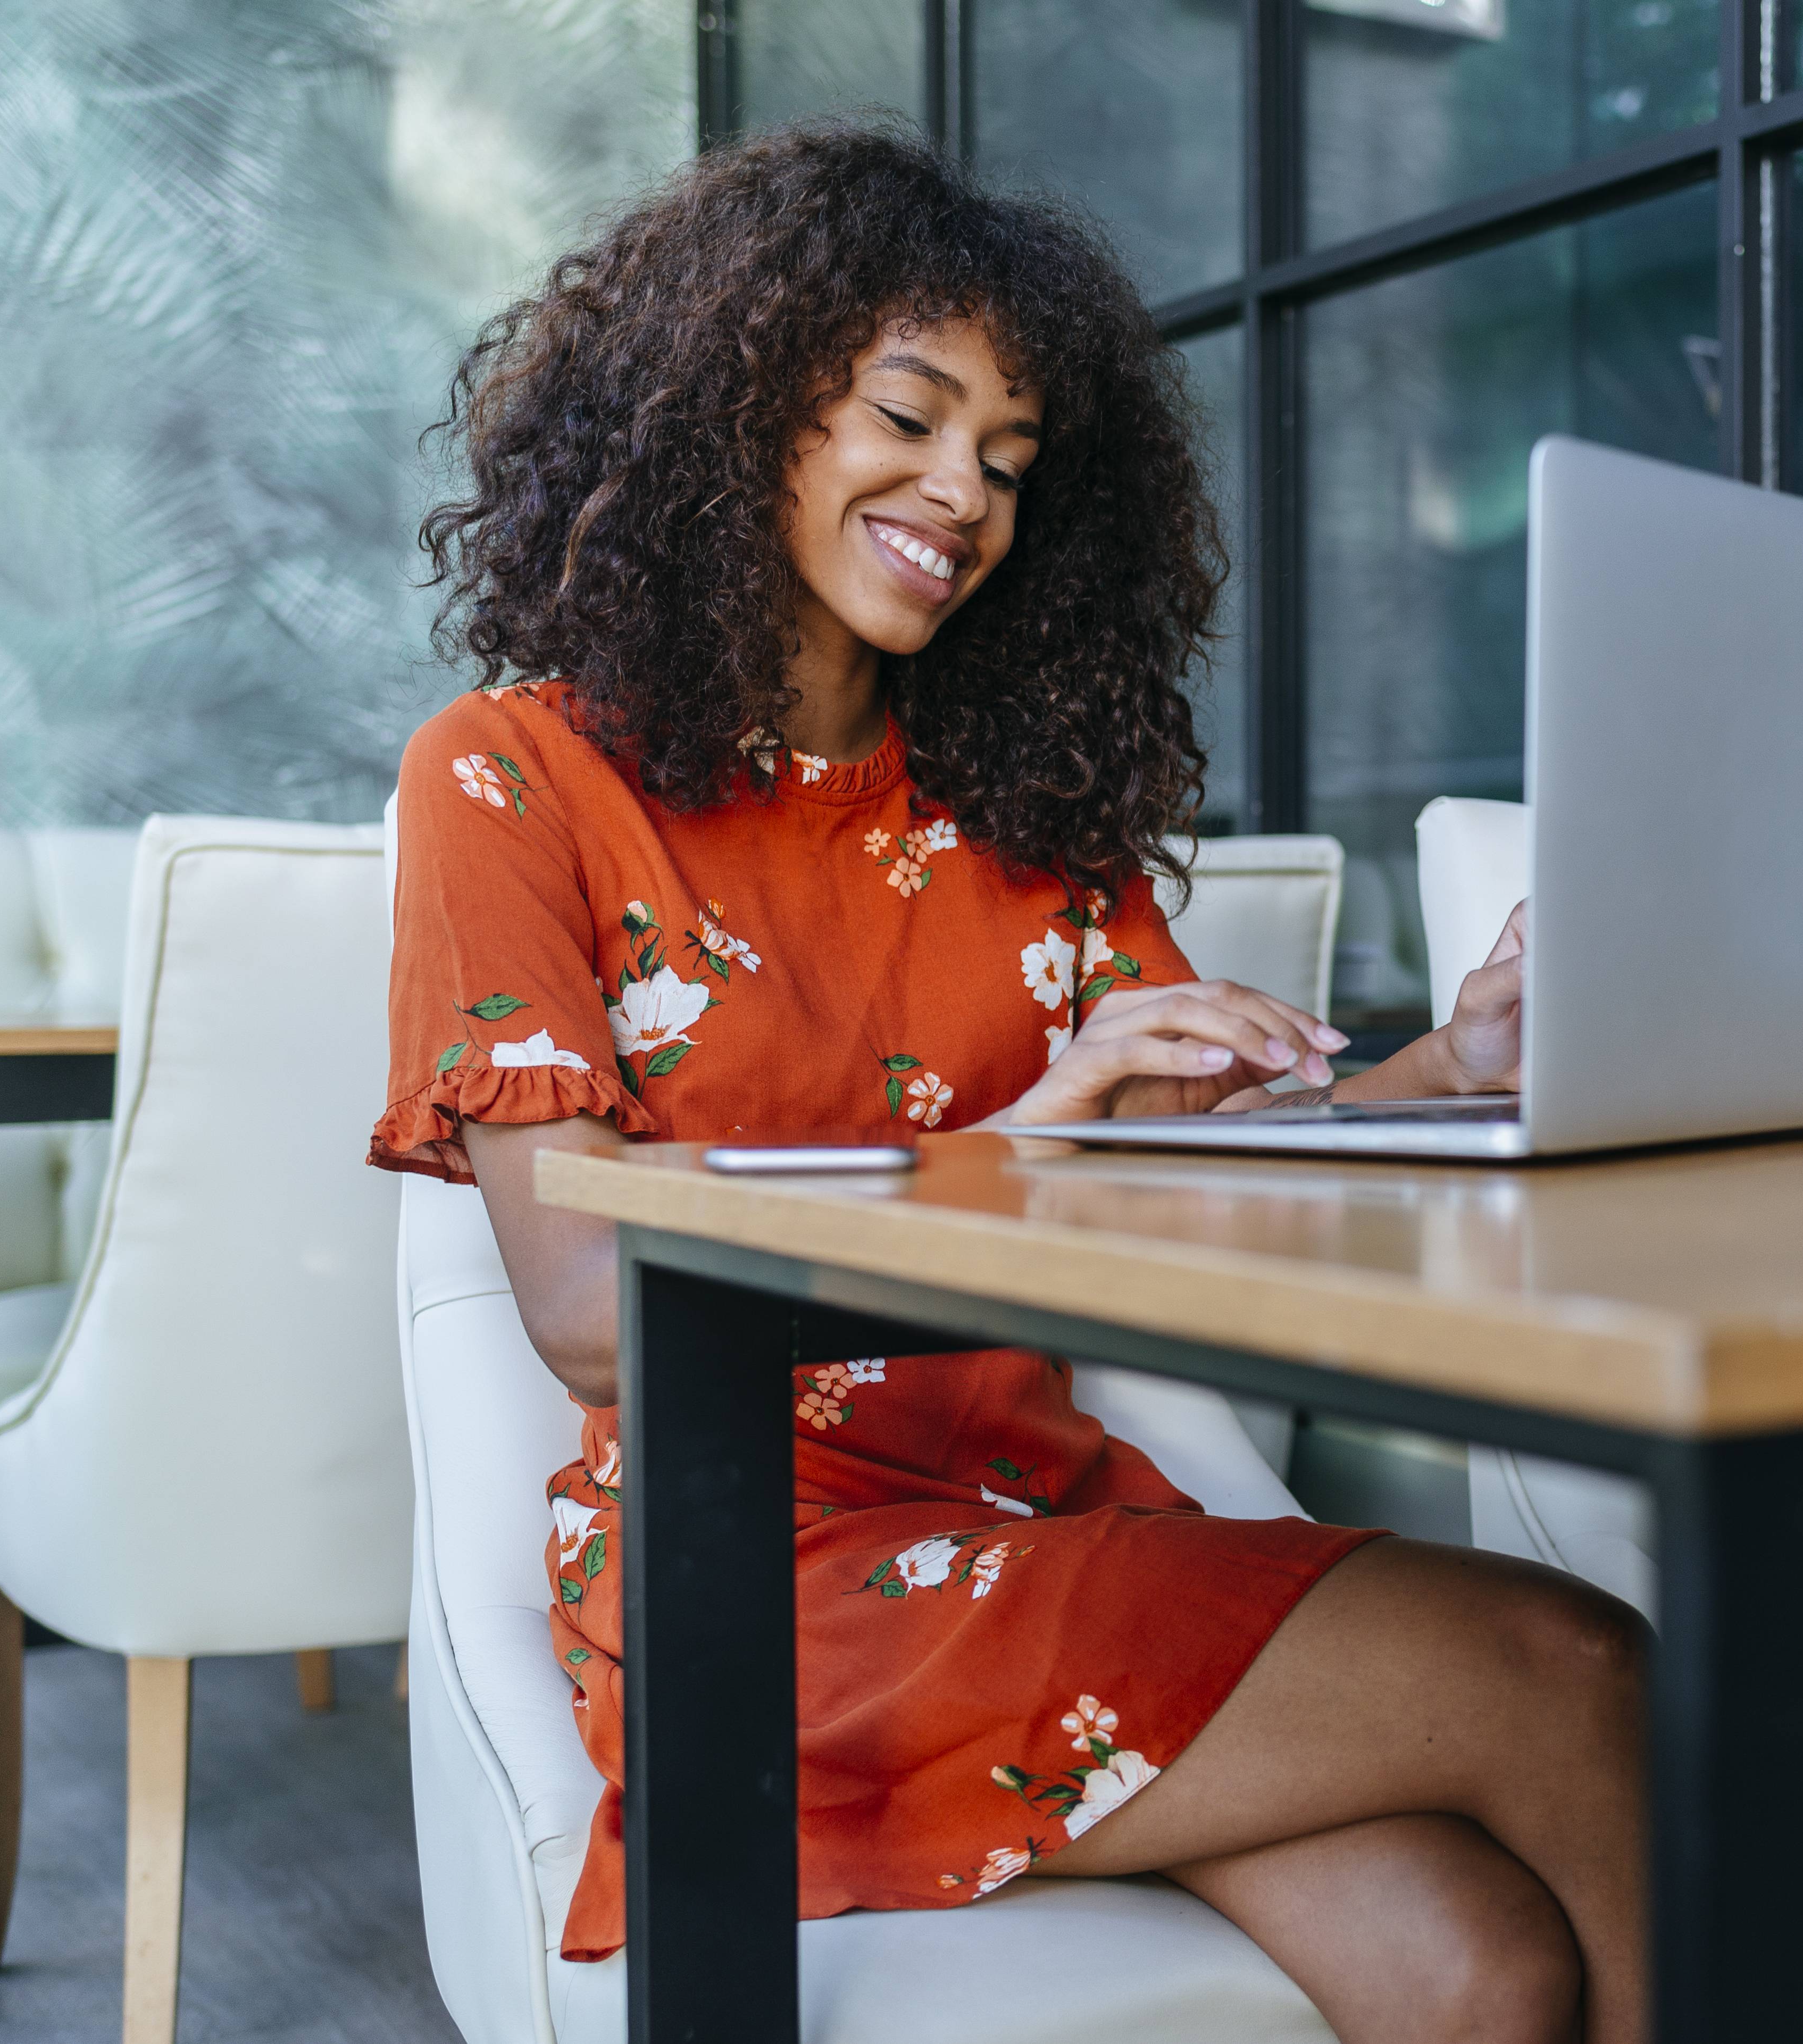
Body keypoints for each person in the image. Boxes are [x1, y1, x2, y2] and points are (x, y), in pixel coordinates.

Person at [370, 120, 1646, 2044]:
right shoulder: (511, 775)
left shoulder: (1017, 815)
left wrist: (1440, 1069)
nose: (962, 491)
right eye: (909, 412)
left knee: (1485, 1967)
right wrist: (1019, 1142)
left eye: (1012, 460)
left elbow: (1211, 1147)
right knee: (1570, 1661)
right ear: (739, 402)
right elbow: (583, 1310)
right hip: (756, 1575)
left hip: (1053, 1531)